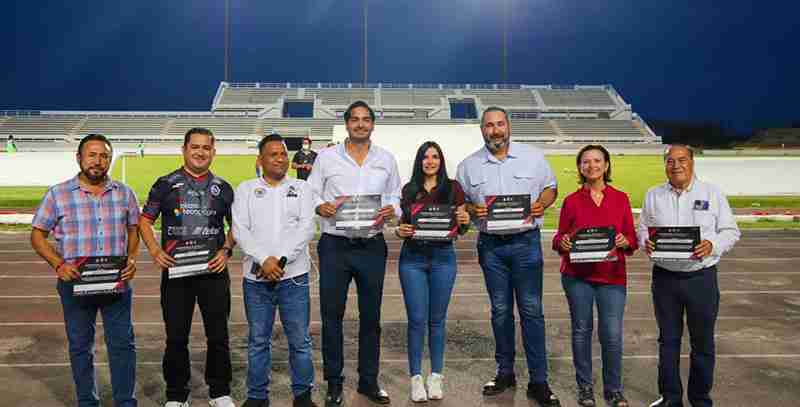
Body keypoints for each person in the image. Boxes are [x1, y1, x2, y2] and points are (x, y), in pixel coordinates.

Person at [456, 106, 561, 406]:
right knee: (500, 311)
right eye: (489, 125)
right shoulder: (468, 166)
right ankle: (505, 372)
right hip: (491, 246)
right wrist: (474, 211)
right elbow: (461, 208)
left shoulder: (533, 156)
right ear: (482, 130)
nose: (495, 130)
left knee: (531, 311)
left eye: (500, 124)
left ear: (509, 126)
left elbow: (551, 188)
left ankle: (539, 381)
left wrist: (542, 203)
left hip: (526, 244)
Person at [30, 133, 140, 407]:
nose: (98, 161)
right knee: (81, 348)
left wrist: (132, 258)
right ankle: (87, 402)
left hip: (116, 285)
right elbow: (37, 235)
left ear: (110, 159)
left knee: (123, 347)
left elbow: (134, 229)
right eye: (92, 155)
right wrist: (58, 264)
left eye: (104, 155)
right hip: (75, 284)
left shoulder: (124, 192)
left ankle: (126, 402)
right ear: (79, 158)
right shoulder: (58, 194)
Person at [308, 100, 401, 406]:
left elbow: (395, 197)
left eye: (366, 120)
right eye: (355, 120)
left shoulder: (386, 159)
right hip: (335, 244)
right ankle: (334, 383)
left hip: (371, 245)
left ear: (373, 124)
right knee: (331, 316)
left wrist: (393, 209)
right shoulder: (326, 157)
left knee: (371, 317)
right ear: (347, 123)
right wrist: (319, 205)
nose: (360, 124)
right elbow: (311, 192)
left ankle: (368, 381)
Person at [139, 128, 237, 407]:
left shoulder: (224, 187)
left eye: (206, 147)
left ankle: (219, 391)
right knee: (176, 337)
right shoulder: (165, 184)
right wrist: (155, 251)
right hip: (177, 274)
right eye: (195, 147)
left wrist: (226, 249)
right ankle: (176, 394)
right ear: (184, 149)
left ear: (213, 152)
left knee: (218, 335)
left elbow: (238, 225)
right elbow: (145, 220)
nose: (200, 152)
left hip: (214, 273)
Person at [639, 144, 740, 407]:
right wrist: (645, 242)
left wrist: (712, 245)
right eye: (670, 161)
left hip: (701, 278)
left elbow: (730, 230)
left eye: (682, 160)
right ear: (665, 165)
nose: (676, 165)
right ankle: (671, 398)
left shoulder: (712, 193)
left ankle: (700, 399)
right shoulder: (653, 194)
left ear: (692, 162)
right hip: (665, 278)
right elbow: (644, 229)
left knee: (702, 342)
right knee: (668, 342)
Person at [232, 134, 318, 407]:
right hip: (255, 280)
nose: (280, 158)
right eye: (273, 154)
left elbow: (307, 228)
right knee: (258, 341)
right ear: (260, 159)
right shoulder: (245, 189)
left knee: (300, 341)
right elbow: (239, 230)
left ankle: (302, 396)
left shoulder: (302, 189)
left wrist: (278, 262)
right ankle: (257, 397)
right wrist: (262, 259)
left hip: (294, 278)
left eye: (283, 154)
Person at [552, 145, 637, 407]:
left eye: (597, 161)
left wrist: (624, 241)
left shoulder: (621, 198)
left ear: (607, 165)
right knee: (581, 331)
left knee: (611, 334)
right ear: (579, 168)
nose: (592, 166)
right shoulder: (571, 201)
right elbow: (558, 238)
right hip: (578, 277)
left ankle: (613, 389)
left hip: (612, 277)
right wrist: (562, 242)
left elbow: (631, 239)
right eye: (586, 162)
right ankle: (585, 387)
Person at [395, 141, 470, 402]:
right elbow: (401, 225)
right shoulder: (409, 189)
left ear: (441, 160)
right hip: (412, 259)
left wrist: (465, 221)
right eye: (425, 157)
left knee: (437, 320)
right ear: (419, 161)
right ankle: (416, 377)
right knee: (416, 320)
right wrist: (398, 230)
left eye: (435, 156)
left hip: (443, 258)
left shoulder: (453, 188)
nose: (430, 161)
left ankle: (436, 376)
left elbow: (462, 227)